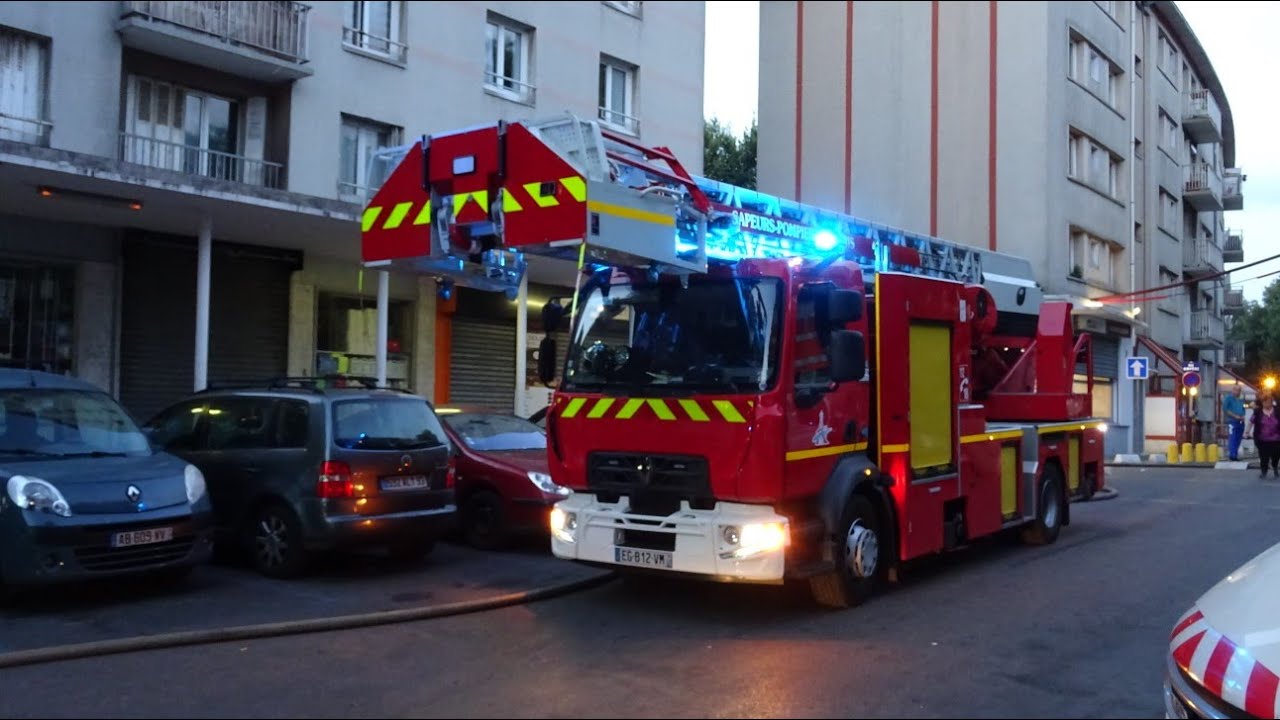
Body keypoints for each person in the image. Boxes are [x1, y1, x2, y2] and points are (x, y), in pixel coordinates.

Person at [1246, 393, 1280, 479]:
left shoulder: (1277, 411)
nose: (1267, 404)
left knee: (1276, 456)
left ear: (1272, 402)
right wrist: (1247, 432)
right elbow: (1251, 422)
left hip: (1276, 439)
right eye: (1265, 402)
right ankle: (1264, 472)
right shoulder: (1258, 412)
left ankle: (1275, 468)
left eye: (1269, 402)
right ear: (1262, 402)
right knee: (1264, 457)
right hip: (1262, 439)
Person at [1222, 383, 1247, 461]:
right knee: (1233, 437)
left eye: (1239, 390)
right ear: (1233, 390)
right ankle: (1232, 454)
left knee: (1238, 437)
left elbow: (1243, 408)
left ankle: (1235, 454)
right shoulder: (1228, 398)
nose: (1238, 392)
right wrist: (1235, 416)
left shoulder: (1241, 399)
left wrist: (1243, 416)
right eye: (1236, 390)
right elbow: (1226, 409)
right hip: (1232, 420)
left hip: (1240, 420)